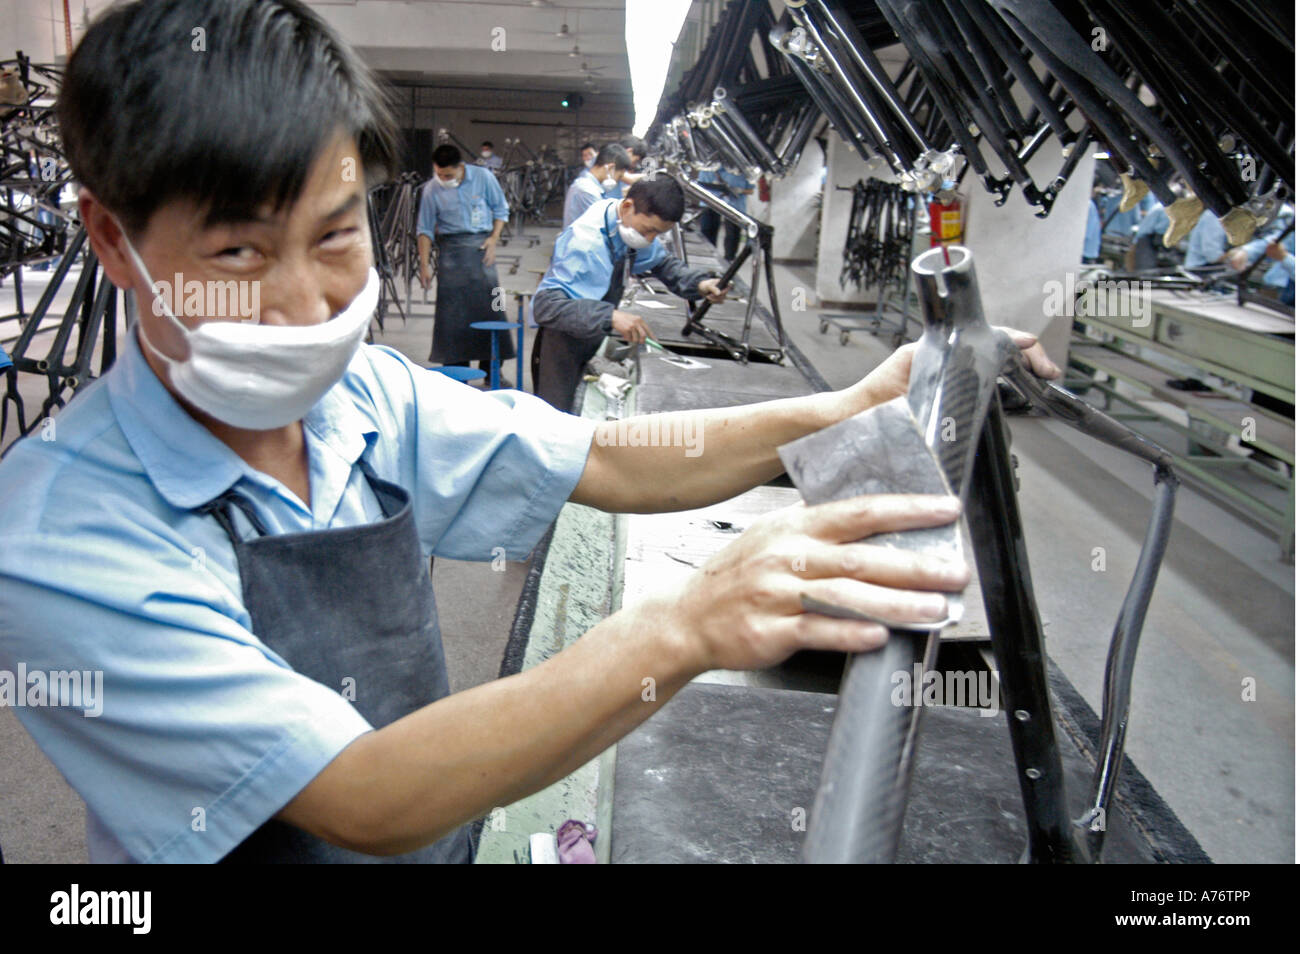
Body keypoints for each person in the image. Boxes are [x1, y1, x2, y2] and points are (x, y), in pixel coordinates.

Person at [0, 0, 1060, 864]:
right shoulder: (58, 538)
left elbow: (602, 456)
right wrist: (683, 627)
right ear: (110, 236)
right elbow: (362, 796)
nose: (306, 302)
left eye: (333, 236)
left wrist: (847, 407)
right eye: (237, 255)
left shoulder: (363, 396)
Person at [533, 177, 727, 412]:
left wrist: (698, 284)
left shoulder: (625, 223)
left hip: (591, 330)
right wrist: (611, 317)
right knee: (556, 418)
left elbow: (660, 262)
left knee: (584, 407)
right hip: (562, 343)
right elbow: (546, 307)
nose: (650, 239)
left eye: (658, 234)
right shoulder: (584, 243)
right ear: (627, 207)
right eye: (649, 231)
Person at [416, 143, 515, 373]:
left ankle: (493, 369)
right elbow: (424, 229)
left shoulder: (484, 178)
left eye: (448, 175)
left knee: (494, 304)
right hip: (451, 254)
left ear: (461, 167)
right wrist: (424, 265)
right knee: (452, 317)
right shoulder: (432, 189)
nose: (443, 179)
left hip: (483, 250)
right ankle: (457, 372)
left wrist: (494, 239)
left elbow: (501, 209)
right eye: (439, 174)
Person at [563, 143, 632, 228]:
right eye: (619, 176)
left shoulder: (590, 186)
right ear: (610, 168)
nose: (617, 181)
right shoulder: (587, 191)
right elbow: (604, 226)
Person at [698, 167, 754, 261]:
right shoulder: (707, 169)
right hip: (711, 202)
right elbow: (699, 185)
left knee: (733, 234)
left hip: (735, 205)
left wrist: (739, 190)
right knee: (708, 230)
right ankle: (709, 256)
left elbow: (751, 190)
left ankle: (729, 259)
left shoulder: (743, 172)